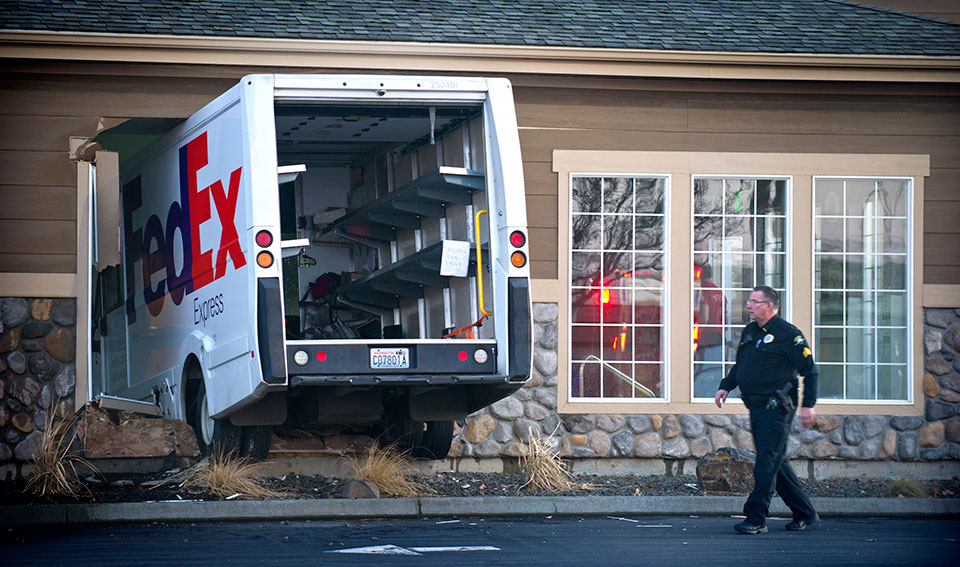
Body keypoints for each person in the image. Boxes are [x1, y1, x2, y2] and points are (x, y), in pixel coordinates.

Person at [715, 285, 819, 534]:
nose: (748, 305)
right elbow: (742, 365)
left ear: (769, 306)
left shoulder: (788, 334)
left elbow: (810, 370)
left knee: (765, 462)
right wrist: (726, 386)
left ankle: (756, 518)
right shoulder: (751, 331)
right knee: (774, 461)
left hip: (778, 407)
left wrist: (808, 406)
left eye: (754, 301)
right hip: (756, 405)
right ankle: (805, 512)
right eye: (749, 301)